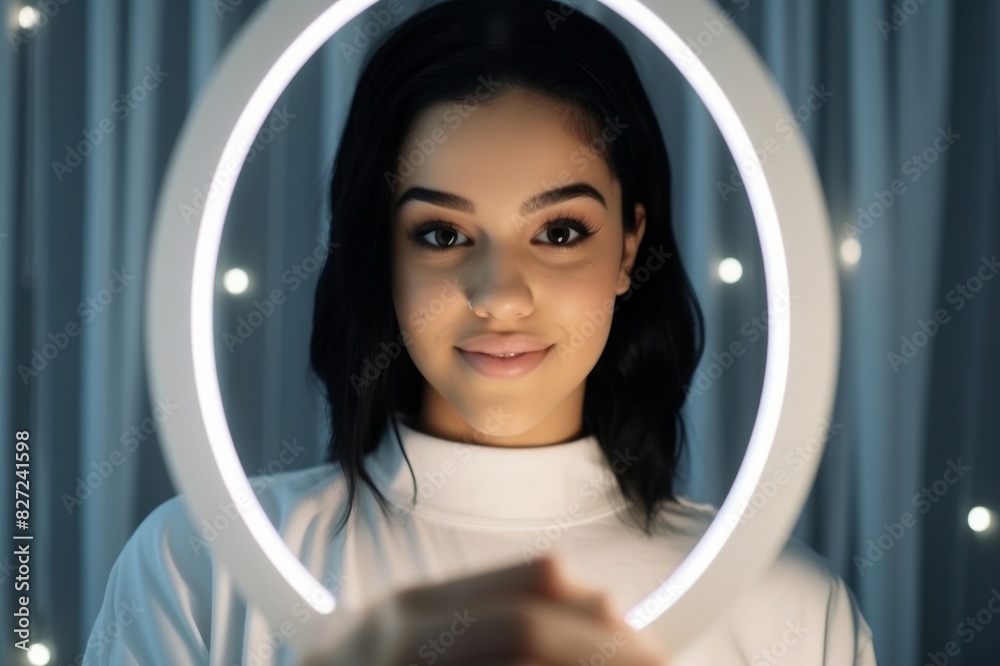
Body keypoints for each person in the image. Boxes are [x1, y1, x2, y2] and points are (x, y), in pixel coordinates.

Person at [84, 0, 877, 663]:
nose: (500, 298)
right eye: (441, 233)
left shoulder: (789, 609)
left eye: (560, 231)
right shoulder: (203, 564)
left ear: (630, 244)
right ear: (380, 249)